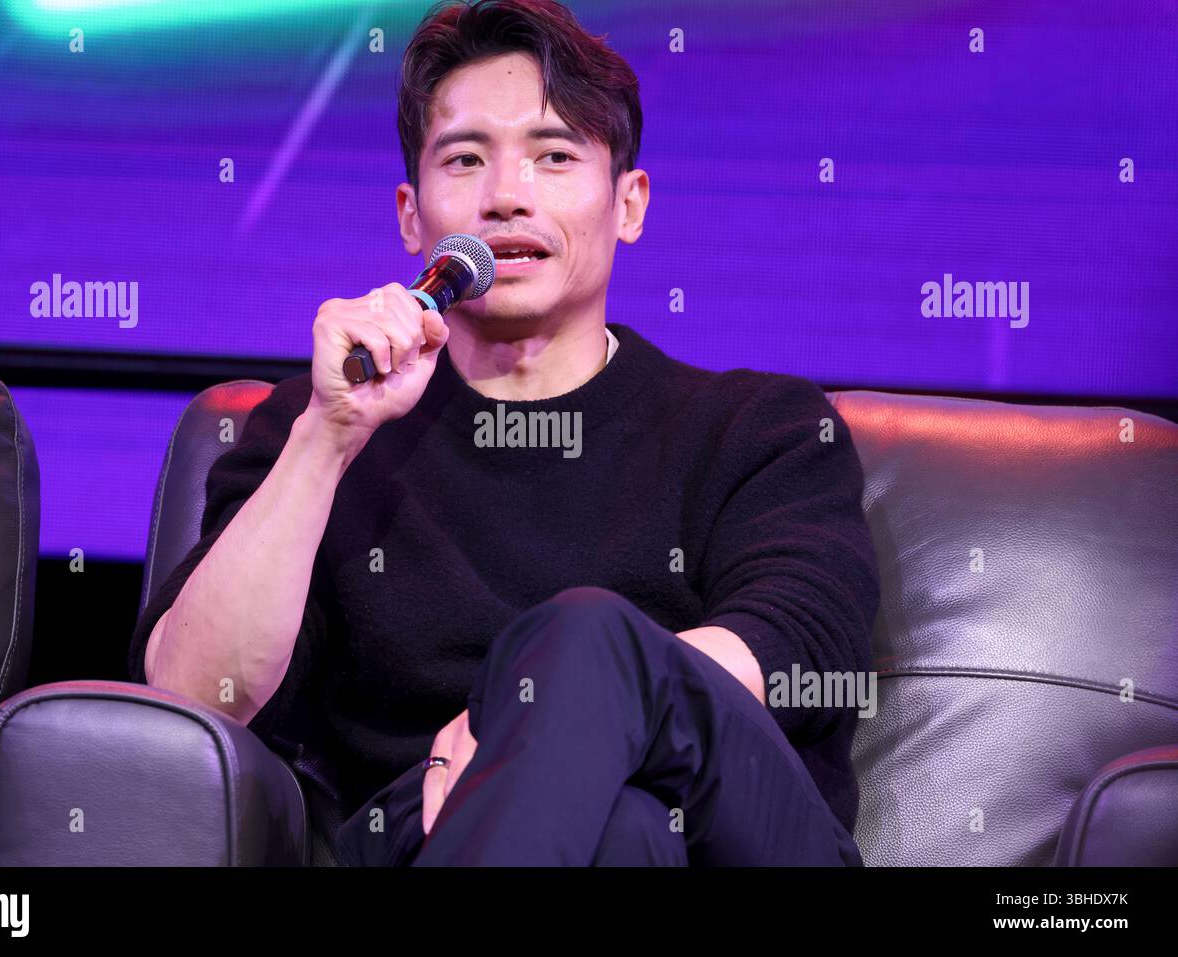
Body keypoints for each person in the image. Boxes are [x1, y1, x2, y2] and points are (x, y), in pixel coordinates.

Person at [127, 0, 880, 866]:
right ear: (413, 215)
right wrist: (326, 440)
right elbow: (191, 695)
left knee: (594, 653)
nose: (507, 195)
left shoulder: (760, 426)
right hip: (421, 835)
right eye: (466, 158)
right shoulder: (318, 428)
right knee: (622, 829)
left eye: (554, 155)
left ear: (628, 203)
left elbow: (798, 648)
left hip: (725, 838)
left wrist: (540, 720)